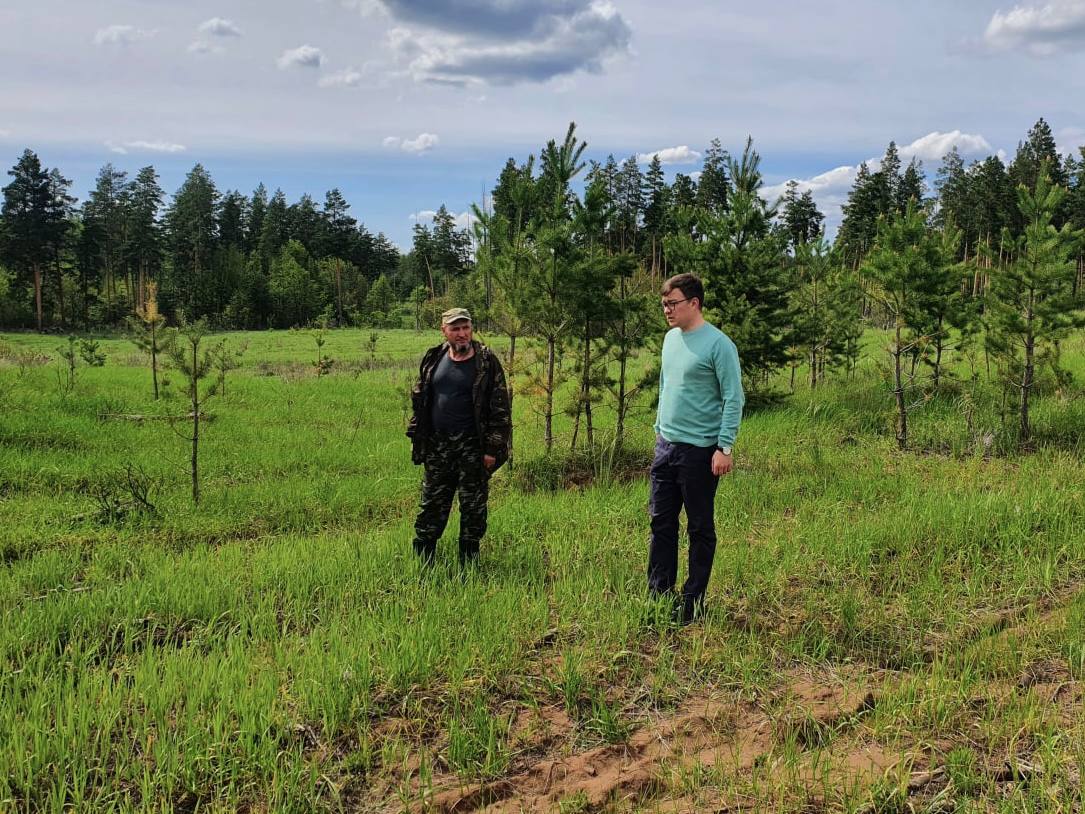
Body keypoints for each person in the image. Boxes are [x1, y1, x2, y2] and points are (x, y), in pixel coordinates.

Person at [648, 273, 744, 624]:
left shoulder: (719, 345)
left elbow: (734, 397)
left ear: (694, 303)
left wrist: (725, 447)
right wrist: (659, 429)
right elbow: (666, 384)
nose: (667, 310)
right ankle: (658, 595)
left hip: (700, 453)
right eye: (664, 305)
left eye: (672, 303)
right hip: (666, 447)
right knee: (661, 523)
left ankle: (692, 602)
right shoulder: (671, 339)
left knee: (700, 528)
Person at [407, 307, 512, 566]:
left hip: (473, 449)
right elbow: (421, 400)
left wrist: (492, 450)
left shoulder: (486, 362)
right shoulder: (434, 358)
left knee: (473, 507)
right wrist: (418, 435)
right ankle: (423, 560)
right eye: (455, 329)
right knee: (432, 503)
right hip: (438, 447)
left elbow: (500, 408)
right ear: (444, 331)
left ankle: (469, 561)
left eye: (466, 327)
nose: (462, 334)